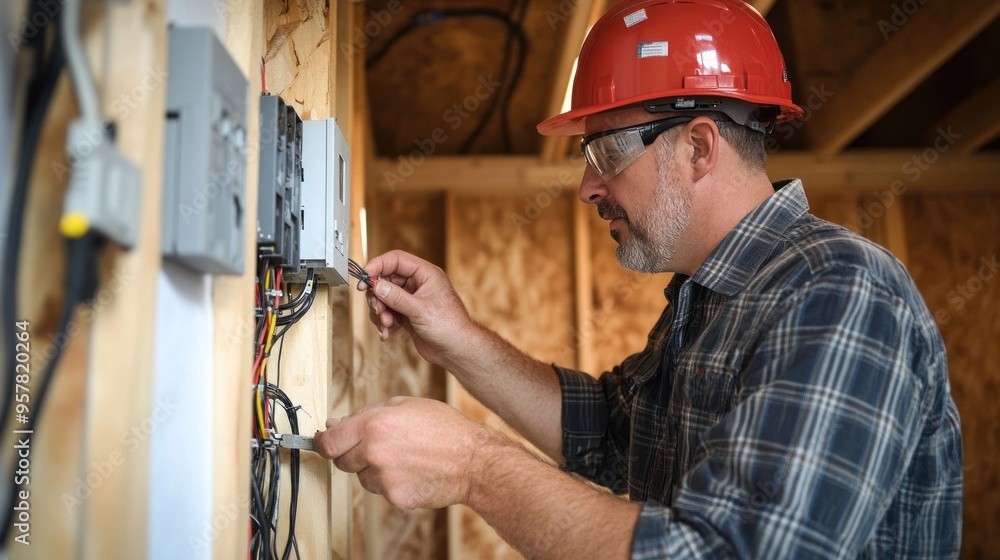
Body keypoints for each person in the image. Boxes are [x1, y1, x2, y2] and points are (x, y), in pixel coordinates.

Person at [314, 0, 963, 557]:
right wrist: (458, 338)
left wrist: (475, 468)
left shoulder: (838, 290)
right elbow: (607, 433)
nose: (588, 188)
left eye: (607, 151)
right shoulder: (707, 296)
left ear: (700, 147)